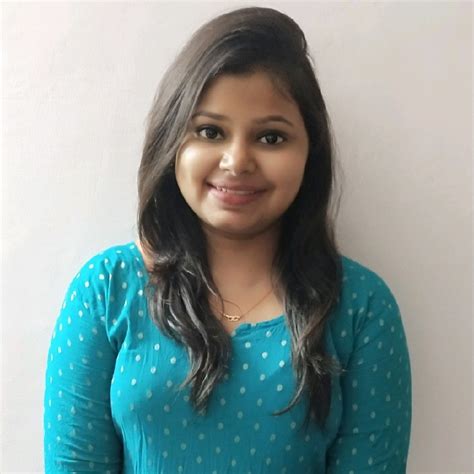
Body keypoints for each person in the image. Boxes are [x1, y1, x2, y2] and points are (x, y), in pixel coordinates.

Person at [43, 6, 412, 473]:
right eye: (210, 131)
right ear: (172, 142)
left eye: (271, 138)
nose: (237, 161)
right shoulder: (106, 290)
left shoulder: (361, 308)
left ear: (309, 153)